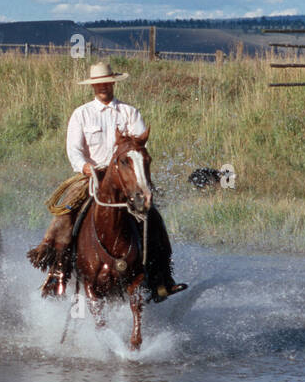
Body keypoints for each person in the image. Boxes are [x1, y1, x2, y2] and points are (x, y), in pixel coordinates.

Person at [27, 61, 186, 301]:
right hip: (92, 176)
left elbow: (140, 148)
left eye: (106, 83)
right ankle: (58, 272)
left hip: (125, 179)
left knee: (153, 219)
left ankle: (161, 279)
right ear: (94, 86)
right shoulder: (81, 114)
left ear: (113, 83)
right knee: (65, 215)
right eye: (98, 84)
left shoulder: (129, 113)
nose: (103, 87)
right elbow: (74, 150)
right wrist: (86, 167)